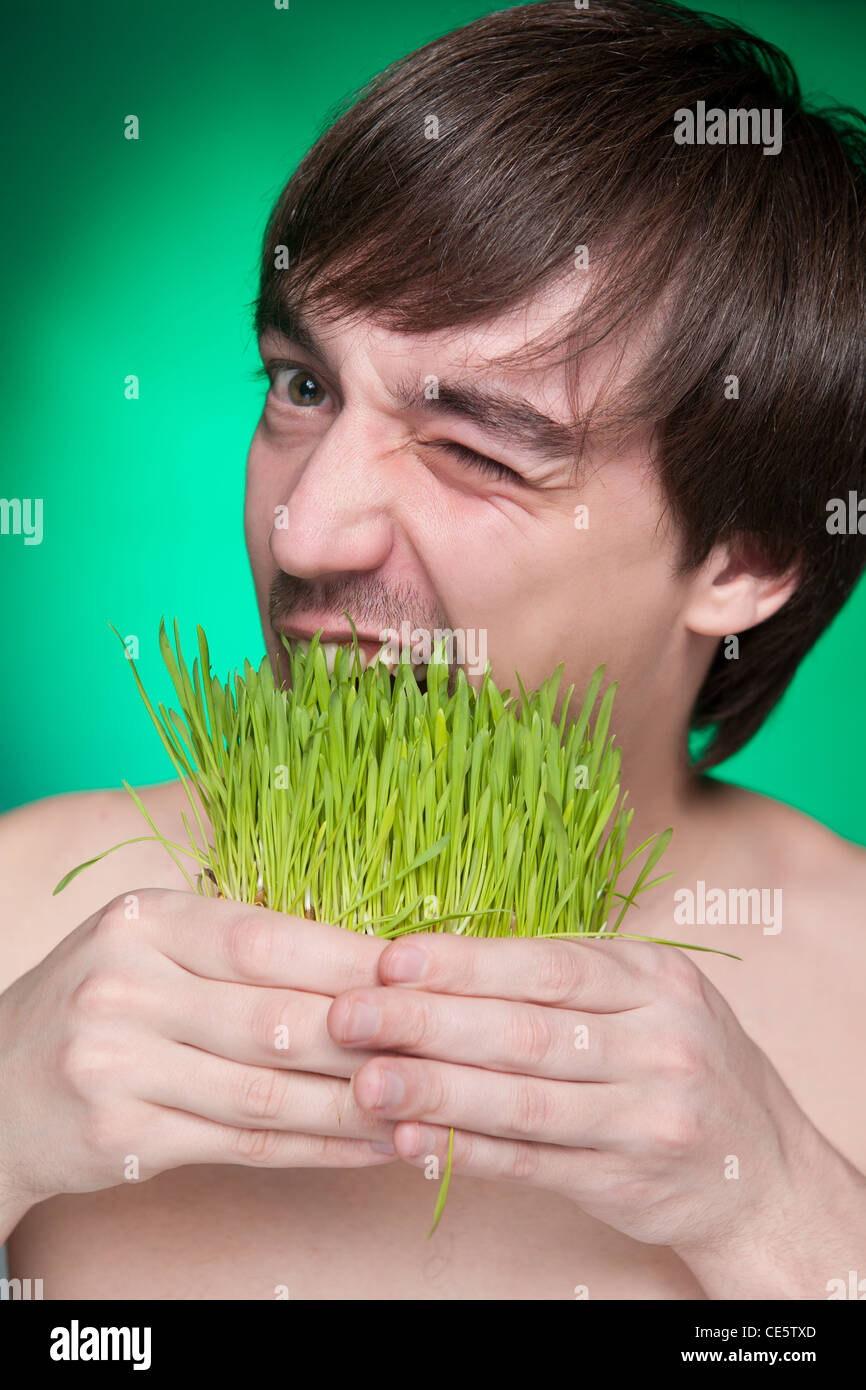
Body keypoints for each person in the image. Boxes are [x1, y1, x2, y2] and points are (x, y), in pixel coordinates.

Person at [1, 0, 864, 1300]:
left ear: (740, 557)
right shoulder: (25, 908)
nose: (306, 526)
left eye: (474, 447)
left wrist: (788, 1209)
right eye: (302, 386)